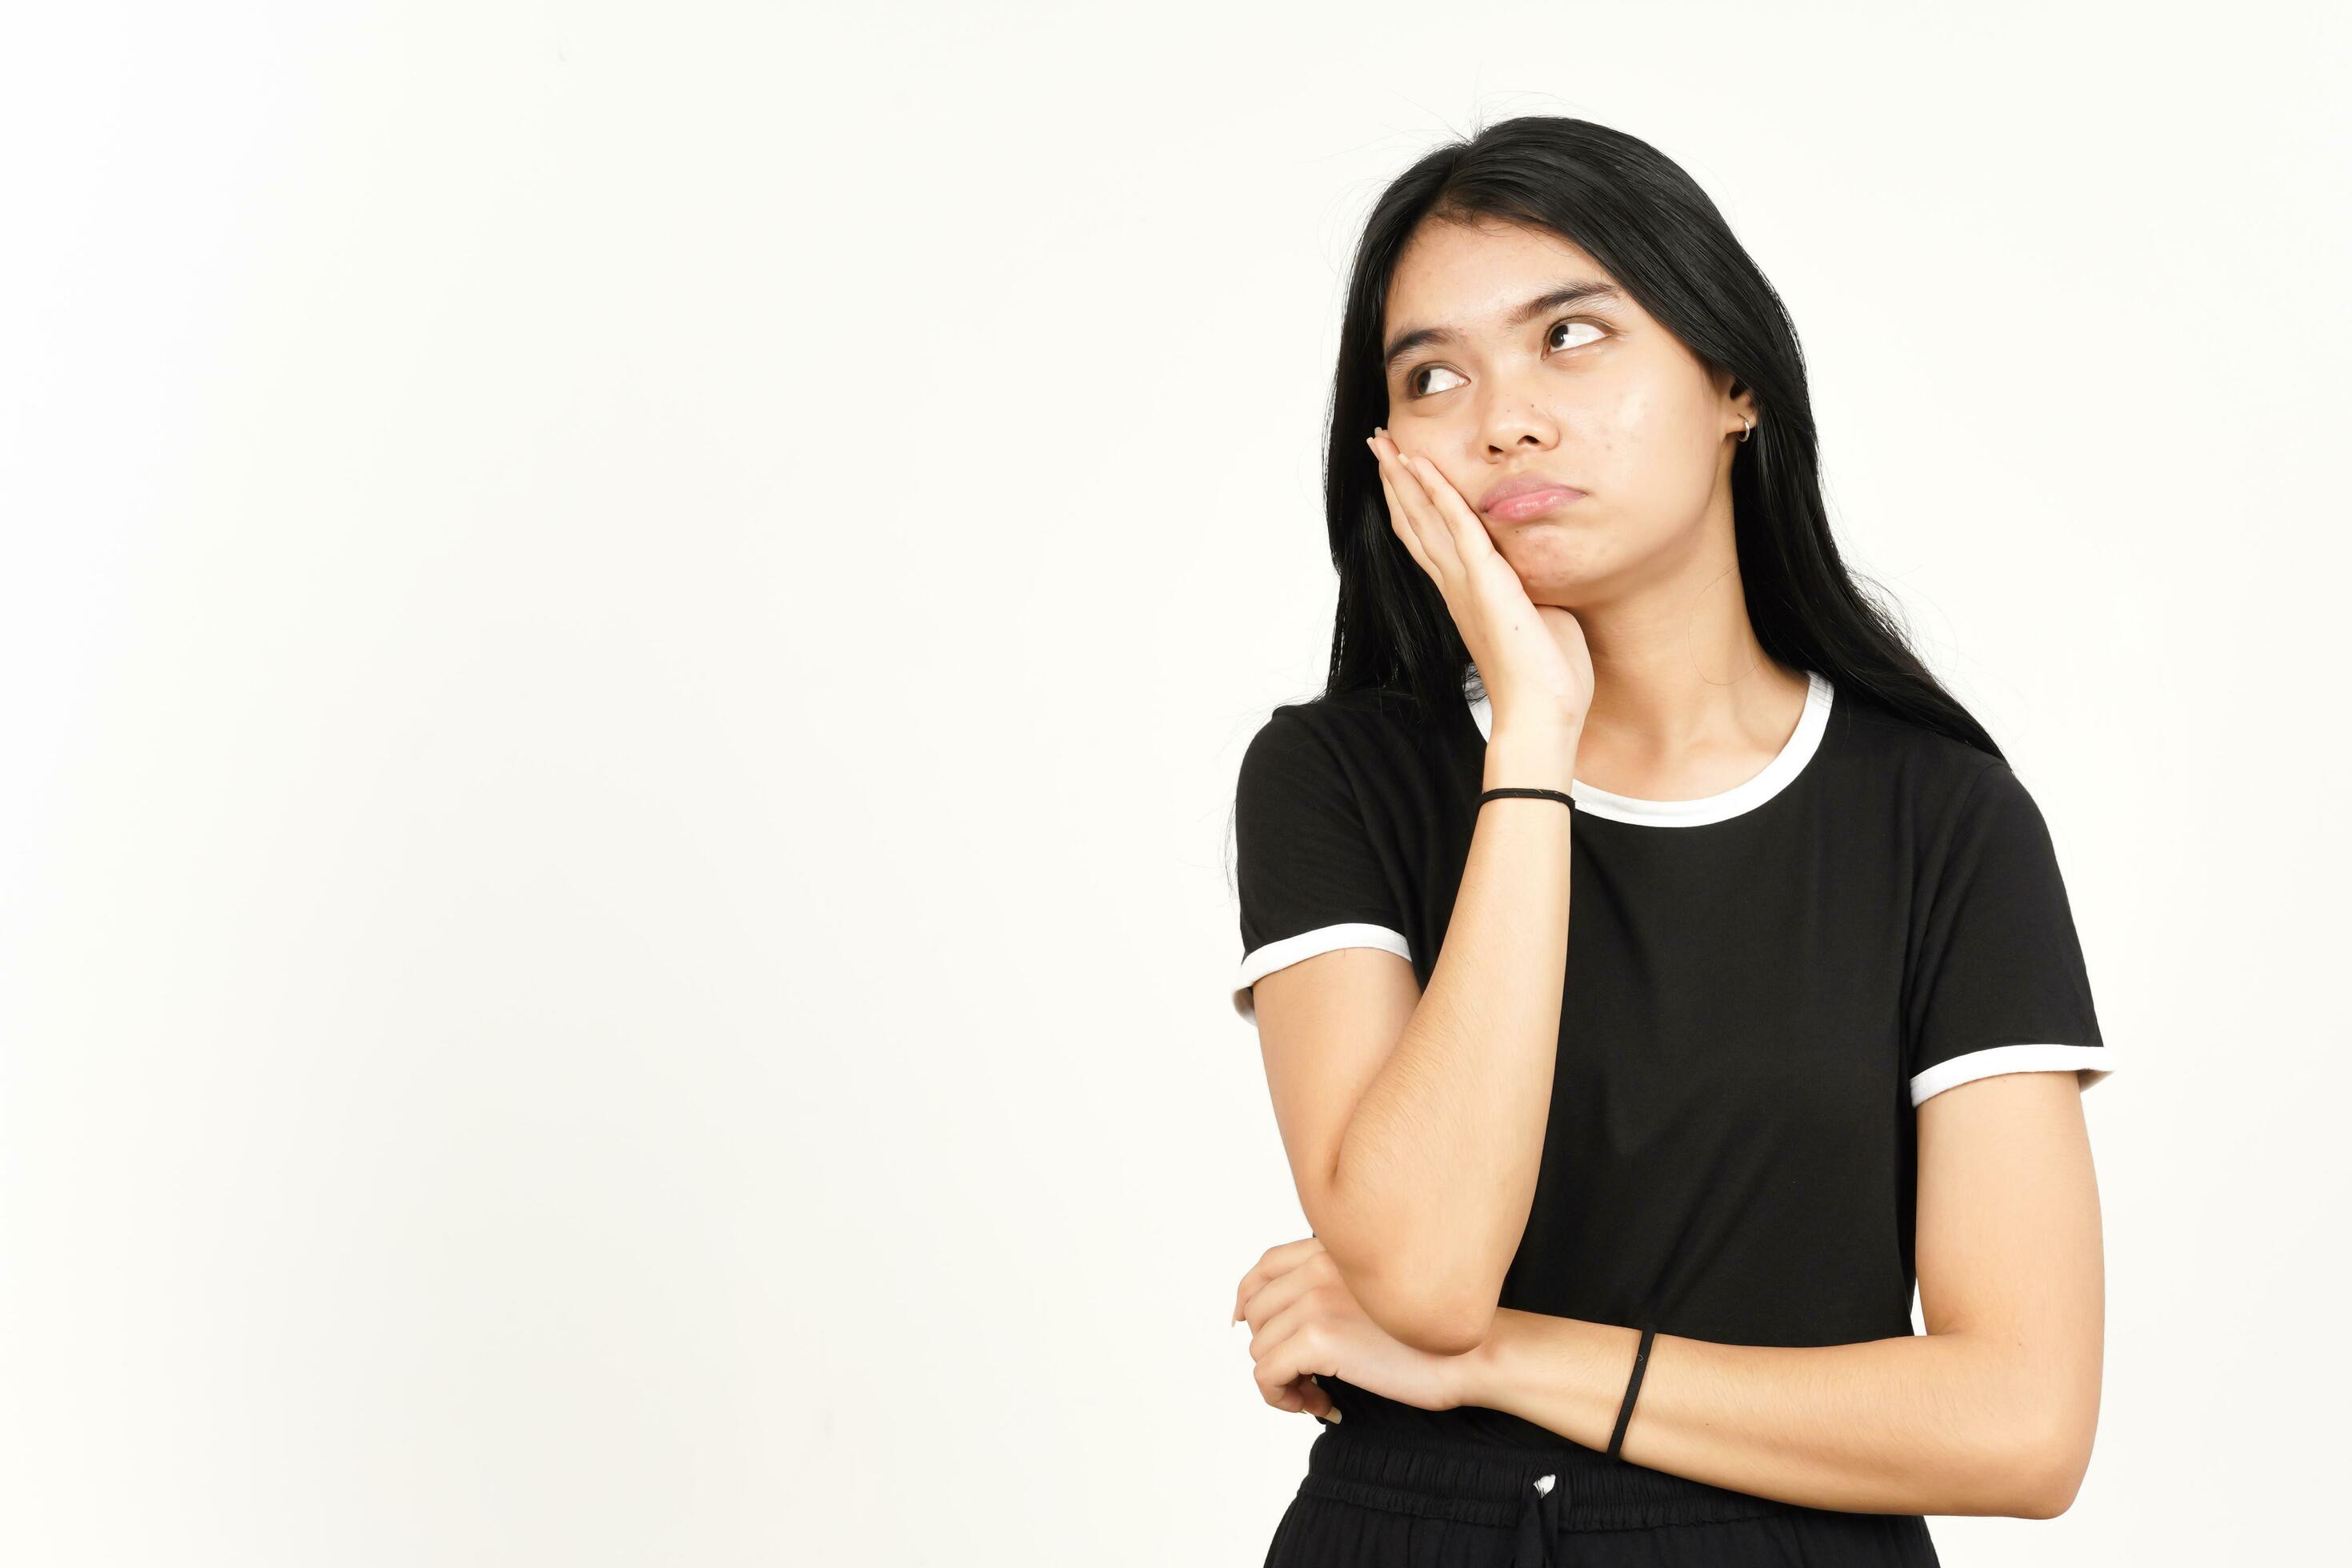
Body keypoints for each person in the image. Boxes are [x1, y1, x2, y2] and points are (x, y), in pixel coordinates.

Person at [1225, 115, 2112, 1568]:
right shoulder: (1339, 779)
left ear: (1735, 380)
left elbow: (2020, 1423)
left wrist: (1505, 1365)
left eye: (1570, 337)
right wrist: (1531, 744)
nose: (1502, 417)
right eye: (1433, 375)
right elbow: (1429, 1272)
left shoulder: (1938, 817)